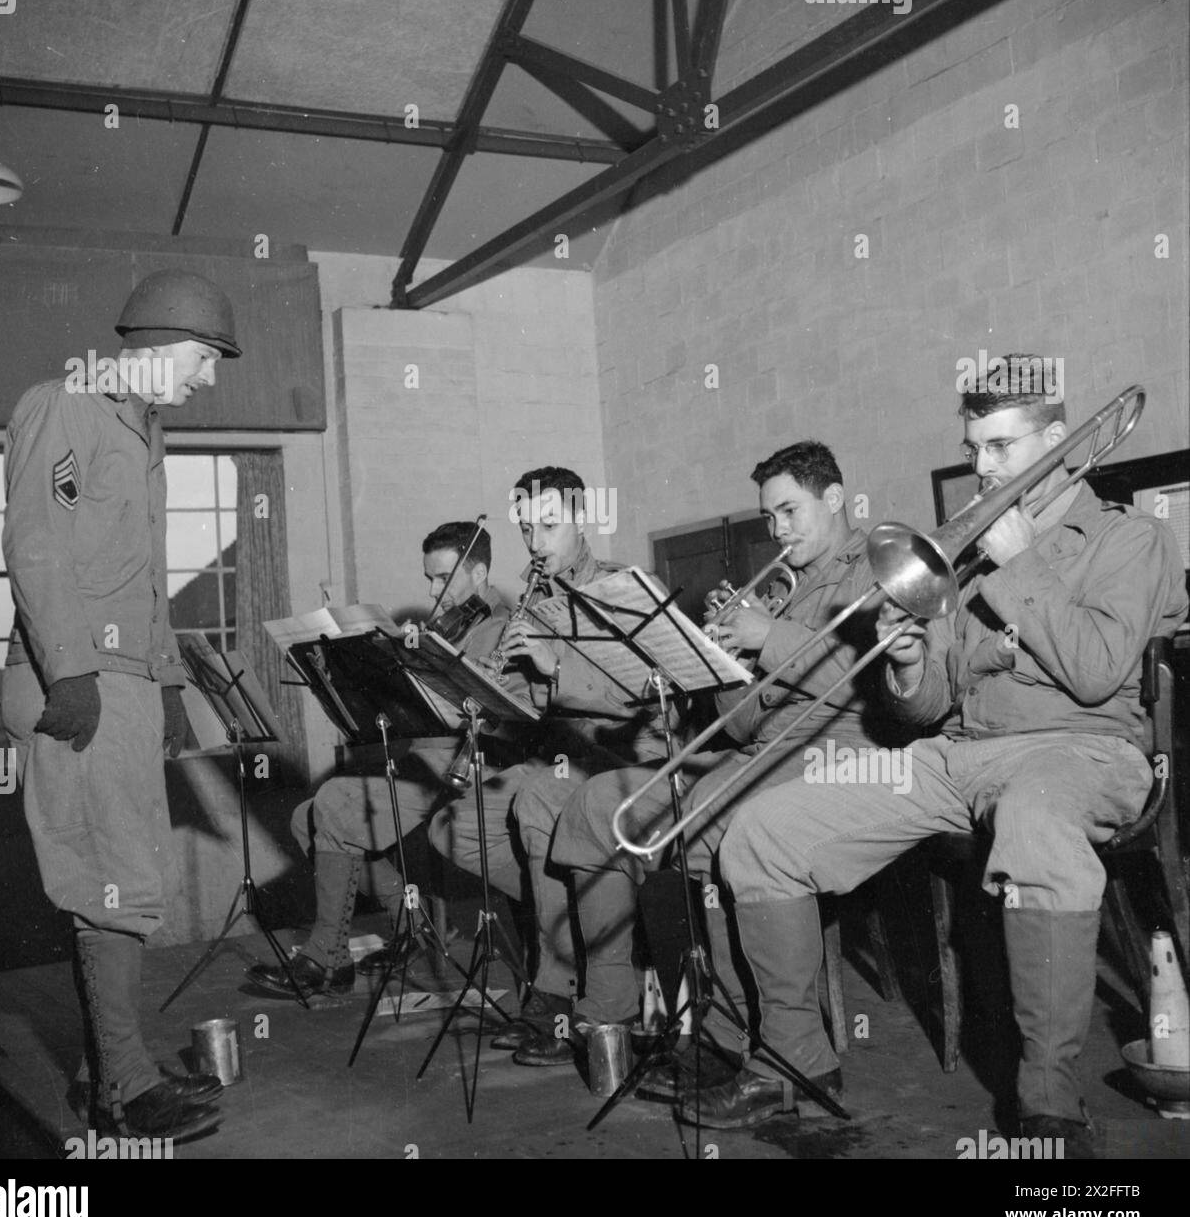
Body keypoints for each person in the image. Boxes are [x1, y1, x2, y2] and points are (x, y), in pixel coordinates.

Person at [688, 359, 1186, 1156]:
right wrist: (908, 657)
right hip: (957, 758)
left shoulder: (1131, 537)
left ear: (1059, 442)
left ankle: (1047, 1103)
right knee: (760, 833)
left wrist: (1021, 562)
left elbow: (1096, 672)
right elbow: (924, 709)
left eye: (998, 446)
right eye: (972, 447)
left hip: (1082, 752)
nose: (979, 468)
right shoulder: (965, 563)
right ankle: (794, 1065)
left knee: (1032, 823)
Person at [536, 441, 887, 1080]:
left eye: (789, 512)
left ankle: (736, 1035)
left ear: (835, 499)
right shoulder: (788, 585)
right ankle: (610, 1012)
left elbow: (875, 675)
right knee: (595, 803)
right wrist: (721, 656)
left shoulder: (879, 566)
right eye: (770, 518)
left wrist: (766, 636)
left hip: (847, 755)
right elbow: (744, 720)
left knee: (703, 827)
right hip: (762, 750)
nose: (777, 532)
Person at [1, 269, 242, 1143]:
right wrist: (67, 673)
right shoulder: (64, 403)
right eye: (204, 357)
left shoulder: (143, 428)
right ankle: (122, 1091)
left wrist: (170, 683)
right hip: (83, 685)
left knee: (130, 883)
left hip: (129, 683)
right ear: (156, 344)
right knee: (106, 885)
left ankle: (119, 1078)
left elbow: (142, 579)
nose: (207, 376)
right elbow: (36, 544)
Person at [249, 521, 531, 999]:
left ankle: (327, 959)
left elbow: (508, 717)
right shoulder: (450, 624)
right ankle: (412, 926)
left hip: (470, 766)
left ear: (479, 572)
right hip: (424, 761)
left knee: (335, 799)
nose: (433, 589)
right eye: (430, 578)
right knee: (306, 817)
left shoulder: (507, 629)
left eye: (443, 578)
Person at [446, 466, 668, 1057]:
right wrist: (485, 692)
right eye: (527, 528)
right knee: (457, 826)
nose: (536, 542)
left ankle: (561, 988)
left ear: (583, 519)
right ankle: (575, 912)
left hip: (627, 758)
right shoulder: (535, 601)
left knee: (539, 800)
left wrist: (554, 666)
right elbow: (533, 707)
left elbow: (644, 694)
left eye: (550, 525)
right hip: (567, 755)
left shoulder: (625, 587)